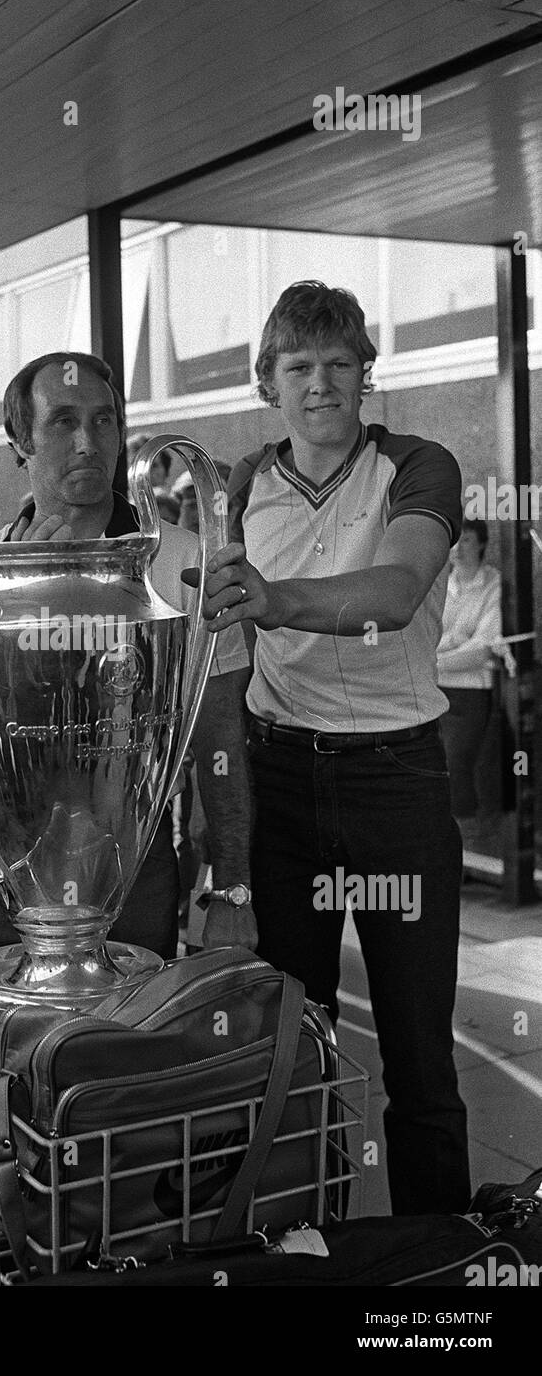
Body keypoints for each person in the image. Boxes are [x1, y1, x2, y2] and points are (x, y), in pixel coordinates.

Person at [193, 280, 470, 1216]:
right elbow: (220, 651)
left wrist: (275, 600)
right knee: (291, 1045)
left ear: (366, 375)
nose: (321, 383)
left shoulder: (420, 463)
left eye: (340, 364)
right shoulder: (237, 484)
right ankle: (303, 1237)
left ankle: (443, 1260)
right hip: (282, 779)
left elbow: (394, 594)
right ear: (267, 381)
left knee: (419, 1056)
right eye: (299, 366)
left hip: (397, 779)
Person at [0, 352, 254, 967]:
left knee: (128, 1046)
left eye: (104, 421)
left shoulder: (186, 563)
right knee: (4, 1046)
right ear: (20, 440)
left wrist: (231, 889)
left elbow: (221, 739)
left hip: (131, 864)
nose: (88, 442)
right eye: (62, 422)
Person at [437, 518, 502, 830]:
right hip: (433, 690)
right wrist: (456, 643)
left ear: (482, 544)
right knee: (434, 769)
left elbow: (483, 649)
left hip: (471, 693)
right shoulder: (439, 583)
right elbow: (425, 634)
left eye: (465, 540)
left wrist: (436, 659)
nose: (458, 548)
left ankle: (467, 838)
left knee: (459, 765)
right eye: (455, 540)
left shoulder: (493, 584)